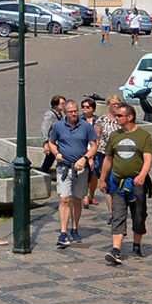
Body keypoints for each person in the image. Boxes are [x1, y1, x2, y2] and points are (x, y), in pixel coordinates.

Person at [99, 102, 152, 265]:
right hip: (117, 183)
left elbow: (148, 158)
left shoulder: (143, 136)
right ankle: (116, 250)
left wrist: (142, 175)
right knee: (117, 215)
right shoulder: (115, 135)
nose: (116, 118)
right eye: (116, 115)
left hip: (136, 183)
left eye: (119, 116)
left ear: (130, 117)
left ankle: (136, 245)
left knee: (139, 215)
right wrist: (103, 179)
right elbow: (108, 159)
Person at [46, 100, 96, 249]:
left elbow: (94, 146)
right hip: (64, 167)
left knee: (77, 199)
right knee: (64, 199)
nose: (74, 114)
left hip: (81, 168)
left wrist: (85, 158)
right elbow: (52, 142)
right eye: (71, 112)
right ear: (65, 113)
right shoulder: (59, 126)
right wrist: (56, 153)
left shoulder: (86, 126)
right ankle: (63, 232)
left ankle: (75, 228)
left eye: (75, 111)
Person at [80, 96, 117, 208]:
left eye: (88, 106)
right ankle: (85, 196)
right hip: (84, 150)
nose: (85, 108)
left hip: (99, 152)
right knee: (84, 173)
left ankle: (91, 195)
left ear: (93, 108)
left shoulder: (97, 120)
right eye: (83, 107)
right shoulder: (79, 120)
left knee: (94, 174)